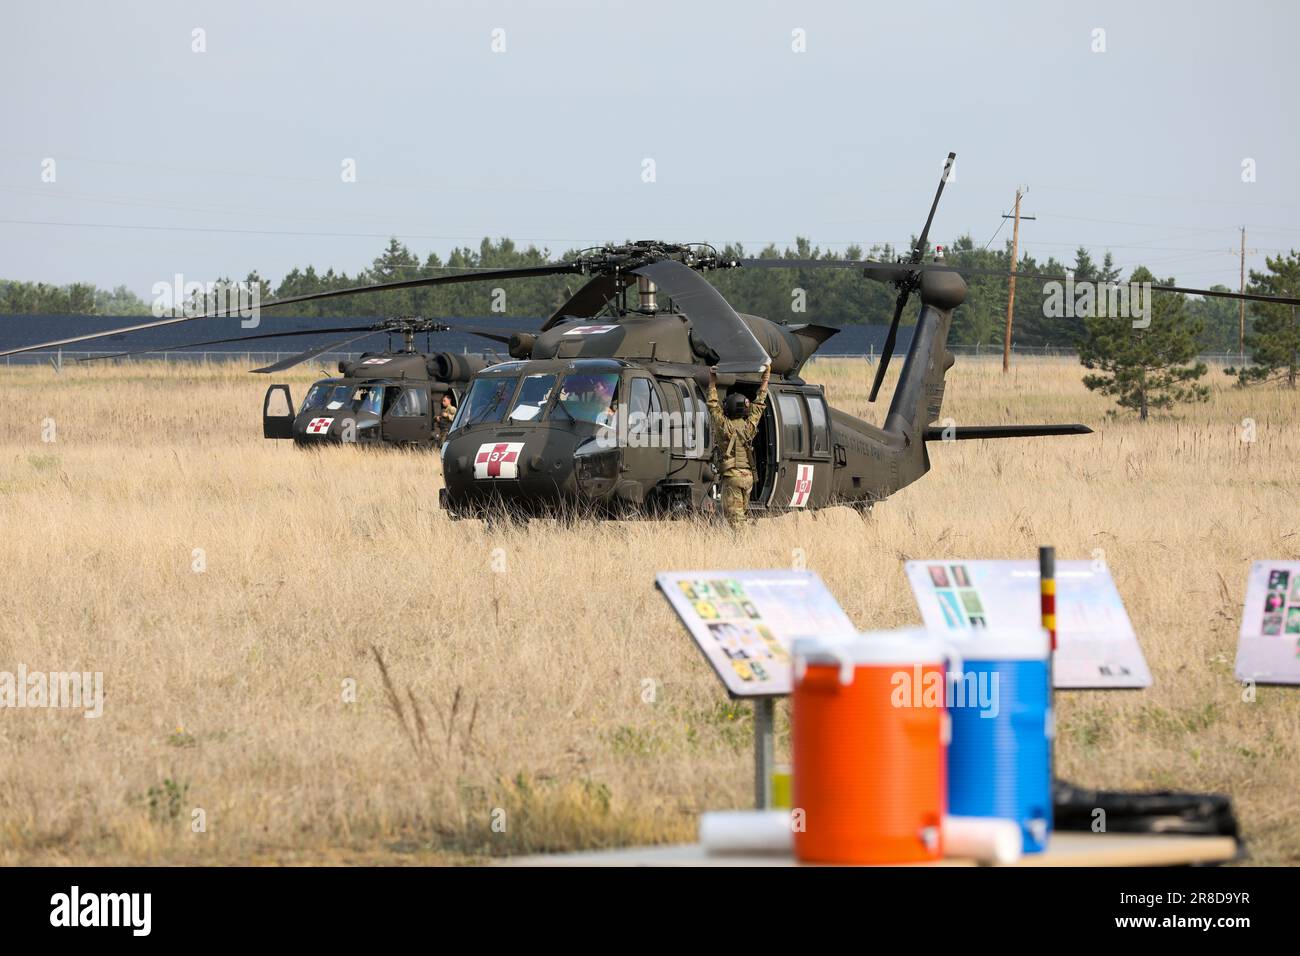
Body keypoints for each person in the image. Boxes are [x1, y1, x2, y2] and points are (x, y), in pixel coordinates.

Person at [706, 363, 770, 530]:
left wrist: (712, 380)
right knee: (742, 515)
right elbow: (759, 404)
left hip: (732, 476)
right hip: (748, 477)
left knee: (736, 520)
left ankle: (743, 546)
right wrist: (766, 378)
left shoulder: (724, 427)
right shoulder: (749, 427)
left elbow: (712, 404)